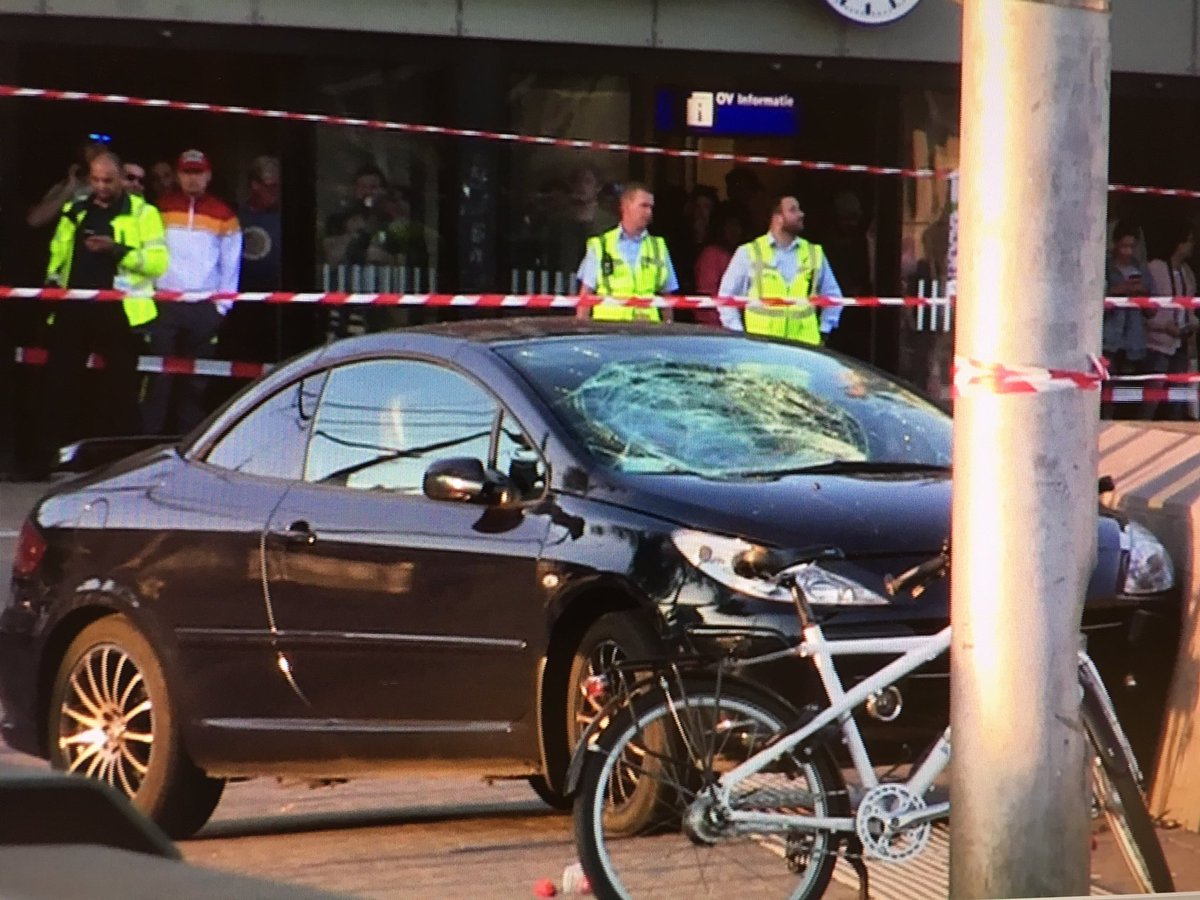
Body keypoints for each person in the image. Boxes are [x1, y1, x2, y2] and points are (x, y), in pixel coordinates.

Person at [40, 151, 165, 465]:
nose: (101, 186)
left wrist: (117, 250)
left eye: (108, 180)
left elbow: (158, 263)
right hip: (74, 308)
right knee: (60, 384)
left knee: (118, 392)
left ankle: (112, 463)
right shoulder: (76, 210)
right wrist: (53, 283)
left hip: (120, 311)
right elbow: (57, 254)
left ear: (122, 179)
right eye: (95, 180)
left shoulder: (143, 213)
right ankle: (50, 458)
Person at [143, 149, 242, 435]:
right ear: (178, 175)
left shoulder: (224, 214)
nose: (192, 179)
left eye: (198, 173)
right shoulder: (159, 209)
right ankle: (148, 441)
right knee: (158, 378)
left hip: (203, 307)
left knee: (196, 381)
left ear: (208, 176)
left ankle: (188, 441)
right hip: (164, 303)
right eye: (187, 173)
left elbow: (231, 266)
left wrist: (221, 307)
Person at [716, 194, 843, 345]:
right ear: (778, 217)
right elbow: (725, 298)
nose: (801, 214)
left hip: (804, 351)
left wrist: (824, 330)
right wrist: (740, 336)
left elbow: (834, 296)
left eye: (800, 209)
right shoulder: (748, 253)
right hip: (762, 352)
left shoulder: (814, 253)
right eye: (793, 210)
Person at [575, 182, 679, 322]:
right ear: (625, 206)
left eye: (651, 207)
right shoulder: (601, 245)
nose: (649, 212)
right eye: (643, 206)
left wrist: (668, 332)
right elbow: (585, 297)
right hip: (609, 332)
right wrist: (583, 331)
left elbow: (668, 298)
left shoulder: (658, 247)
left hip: (646, 331)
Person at [1144, 220, 1198, 420]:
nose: (1192, 246)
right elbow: (1143, 311)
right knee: (1151, 399)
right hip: (1157, 345)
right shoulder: (1154, 269)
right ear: (1178, 243)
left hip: (1180, 346)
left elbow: (1189, 308)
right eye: (1189, 241)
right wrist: (1163, 327)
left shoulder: (1187, 273)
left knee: (1176, 401)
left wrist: (1192, 325)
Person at [1102, 220, 1149, 419]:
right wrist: (1121, 291)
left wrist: (1143, 296)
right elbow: (1095, 302)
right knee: (1106, 390)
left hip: (1133, 342)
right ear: (1114, 244)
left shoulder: (1141, 270)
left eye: (1131, 246)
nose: (1127, 252)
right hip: (1110, 339)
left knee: (1128, 392)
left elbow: (1152, 310)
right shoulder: (1105, 267)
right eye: (1124, 246)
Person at [26, 133, 112, 229]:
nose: (98, 150)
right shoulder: (69, 184)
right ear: (82, 151)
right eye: (92, 146)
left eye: (103, 146)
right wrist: (69, 190)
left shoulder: (121, 184)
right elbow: (35, 220)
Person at [690, 201, 745, 326]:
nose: (736, 231)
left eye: (738, 226)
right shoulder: (711, 256)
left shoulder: (737, 254)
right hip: (715, 327)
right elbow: (708, 298)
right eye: (731, 226)